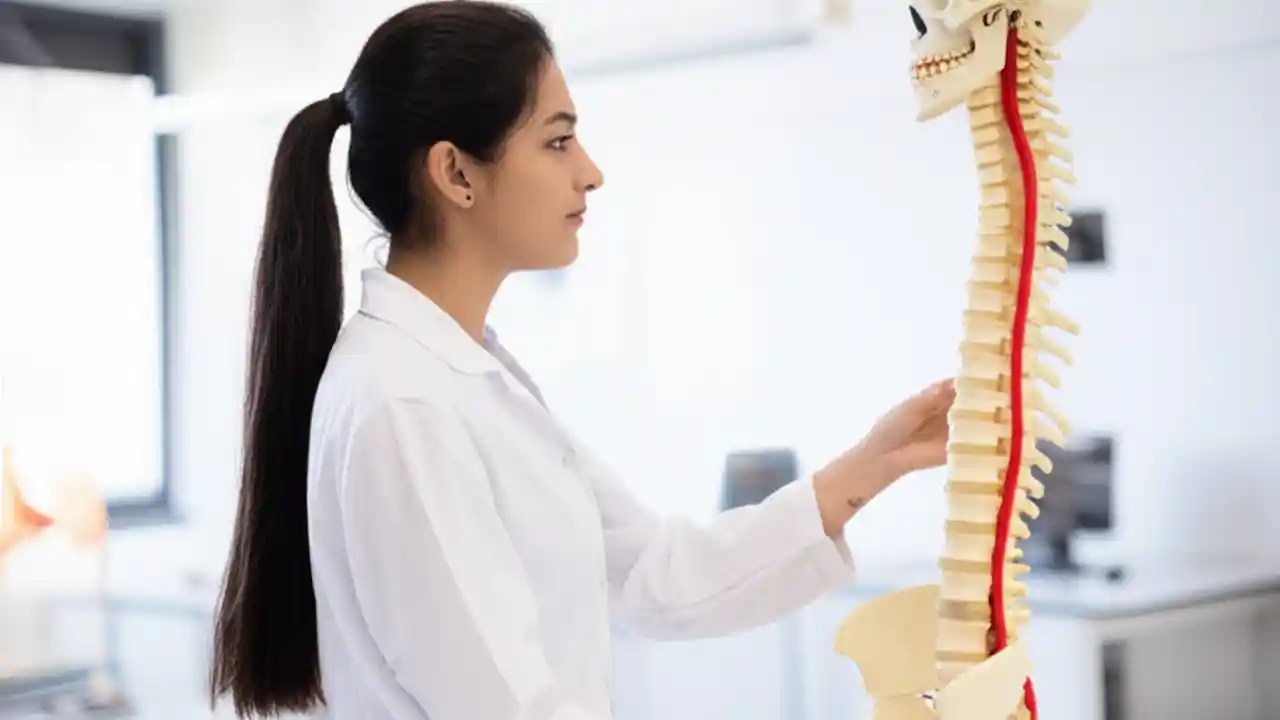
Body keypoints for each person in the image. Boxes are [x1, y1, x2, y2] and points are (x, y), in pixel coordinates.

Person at [208, 2, 957, 718]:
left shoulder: (464, 378)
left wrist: (871, 465)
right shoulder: (405, 405)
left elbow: (655, 572)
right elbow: (503, 709)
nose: (590, 172)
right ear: (456, 173)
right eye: (558, 140)